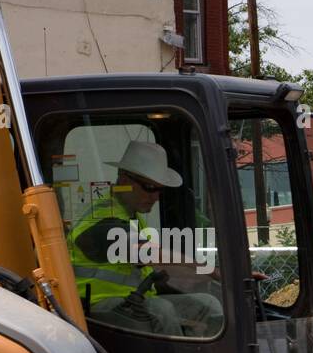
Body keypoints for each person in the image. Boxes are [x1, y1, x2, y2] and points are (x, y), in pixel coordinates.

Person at [68, 141, 223, 337]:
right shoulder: (102, 219)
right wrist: (214, 272)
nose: (156, 197)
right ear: (124, 180)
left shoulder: (133, 218)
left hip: (131, 300)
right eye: (149, 187)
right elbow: (150, 254)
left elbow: (156, 267)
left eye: (160, 189)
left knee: (207, 304)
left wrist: (206, 278)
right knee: (161, 310)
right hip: (94, 307)